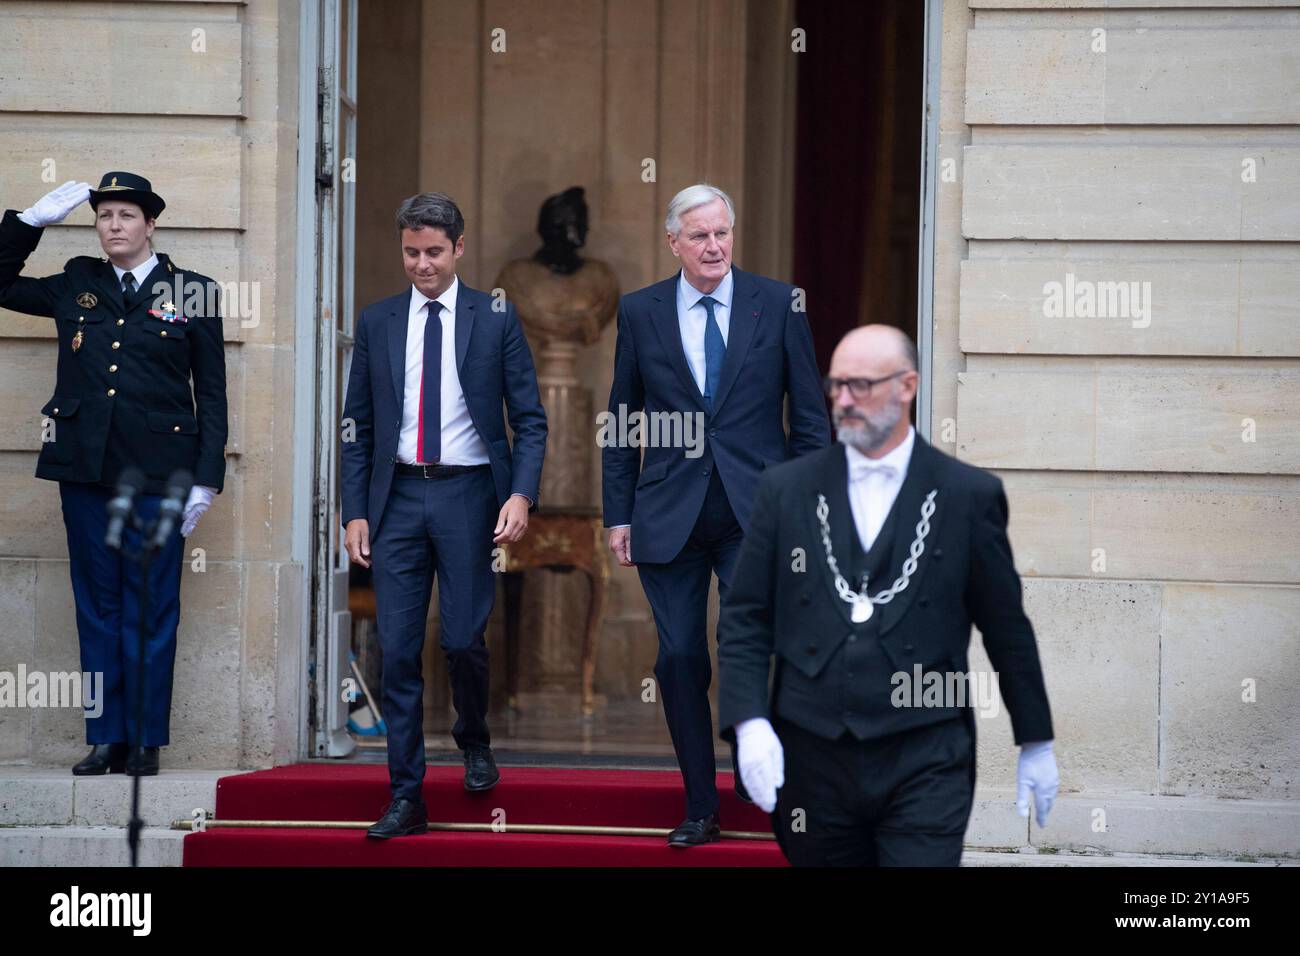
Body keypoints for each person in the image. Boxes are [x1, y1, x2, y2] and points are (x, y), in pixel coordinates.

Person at [717, 324, 1059, 866]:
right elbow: (746, 617)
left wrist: (1035, 738)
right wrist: (750, 721)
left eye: (860, 386)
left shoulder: (969, 495)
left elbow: (1005, 627)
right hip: (812, 750)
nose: (843, 401)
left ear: (907, 386)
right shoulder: (786, 490)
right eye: (835, 386)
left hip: (927, 751)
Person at [601, 183, 830, 846]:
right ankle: (701, 804)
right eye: (699, 235)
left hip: (755, 511)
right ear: (673, 241)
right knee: (677, 657)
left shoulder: (779, 304)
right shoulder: (641, 312)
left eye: (722, 233)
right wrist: (618, 512)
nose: (713, 246)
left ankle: (767, 779)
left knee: (749, 648)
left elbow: (810, 420)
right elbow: (622, 419)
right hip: (666, 511)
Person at [0, 174, 228, 776]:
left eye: (126, 214)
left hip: (160, 476)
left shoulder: (193, 291)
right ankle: (107, 737)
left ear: (150, 224)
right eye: (104, 215)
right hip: (87, 471)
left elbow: (212, 392)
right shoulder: (79, 282)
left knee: (151, 607)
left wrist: (206, 479)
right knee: (97, 607)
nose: (114, 225)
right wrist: (27, 225)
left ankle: (146, 737)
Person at [341, 192, 547, 839]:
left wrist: (521, 493)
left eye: (434, 252)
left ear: (459, 248)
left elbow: (531, 419)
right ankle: (407, 795)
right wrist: (354, 511)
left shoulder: (495, 318)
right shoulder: (377, 322)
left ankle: (474, 736)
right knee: (399, 651)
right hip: (397, 499)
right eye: (411, 252)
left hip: (470, 497)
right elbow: (358, 427)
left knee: (461, 638)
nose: (422, 264)